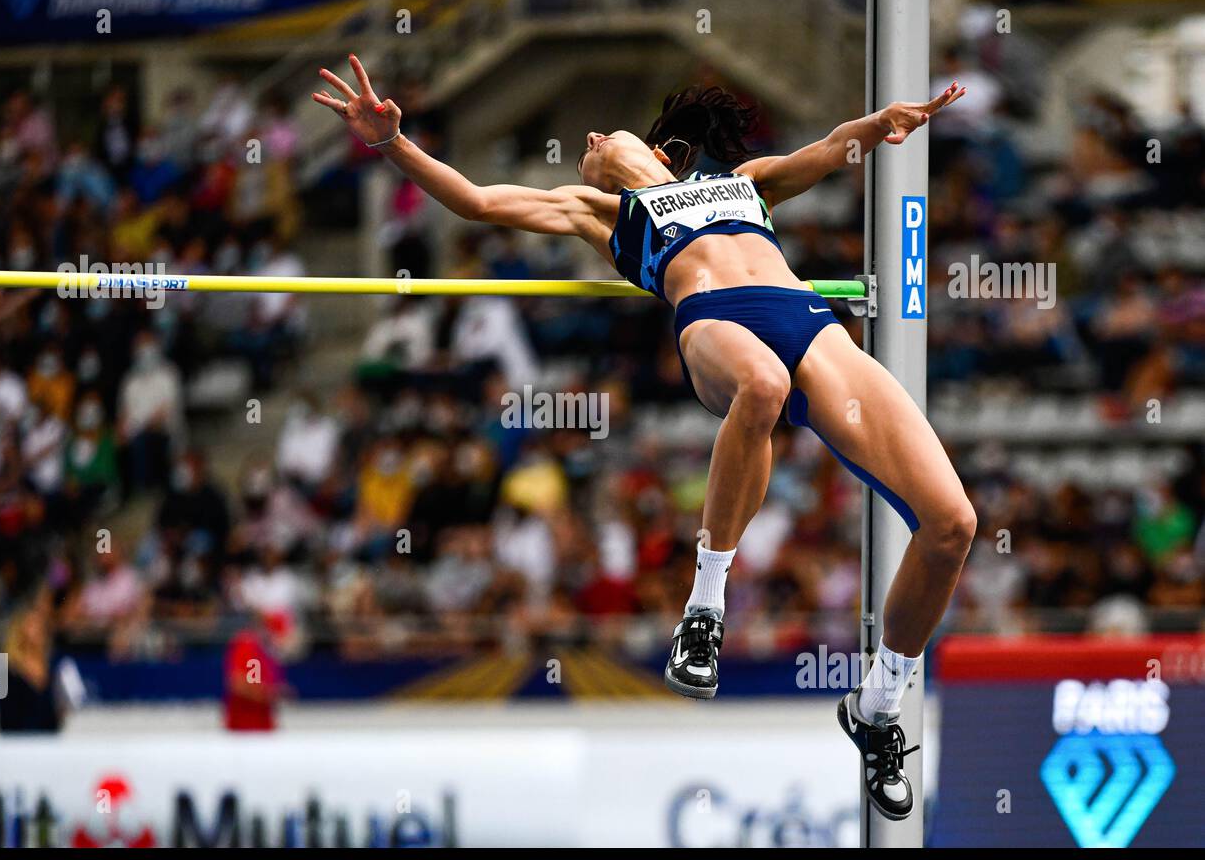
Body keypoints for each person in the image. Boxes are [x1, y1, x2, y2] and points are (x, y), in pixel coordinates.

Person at [314, 55, 974, 820]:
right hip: (716, 326)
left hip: (808, 324)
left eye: (601, 133)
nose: (590, 137)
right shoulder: (593, 211)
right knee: (763, 386)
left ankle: (879, 706)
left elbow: (822, 153)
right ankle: (705, 609)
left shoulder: (740, 184)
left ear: (664, 153)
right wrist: (393, 144)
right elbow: (477, 201)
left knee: (953, 525)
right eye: (588, 140)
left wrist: (873, 125)